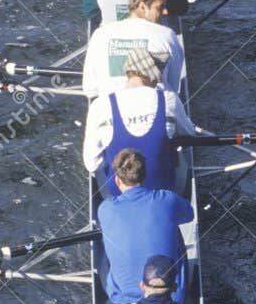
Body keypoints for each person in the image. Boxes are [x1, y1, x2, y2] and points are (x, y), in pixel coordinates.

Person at [83, 46, 195, 196]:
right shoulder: (169, 99)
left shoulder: (100, 105)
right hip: (163, 191)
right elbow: (189, 134)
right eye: (159, 68)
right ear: (150, 75)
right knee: (180, 151)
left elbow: (91, 163)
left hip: (118, 194)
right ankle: (182, 196)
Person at [97, 149, 192, 304]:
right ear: (144, 176)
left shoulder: (104, 209)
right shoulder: (167, 198)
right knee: (175, 227)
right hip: (171, 296)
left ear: (117, 181)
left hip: (122, 300)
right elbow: (189, 216)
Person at [82, 0, 185, 100]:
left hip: (112, 107)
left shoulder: (100, 34)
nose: (165, 12)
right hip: (154, 105)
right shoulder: (167, 35)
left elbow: (90, 89)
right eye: (160, 7)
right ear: (142, 6)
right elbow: (174, 86)